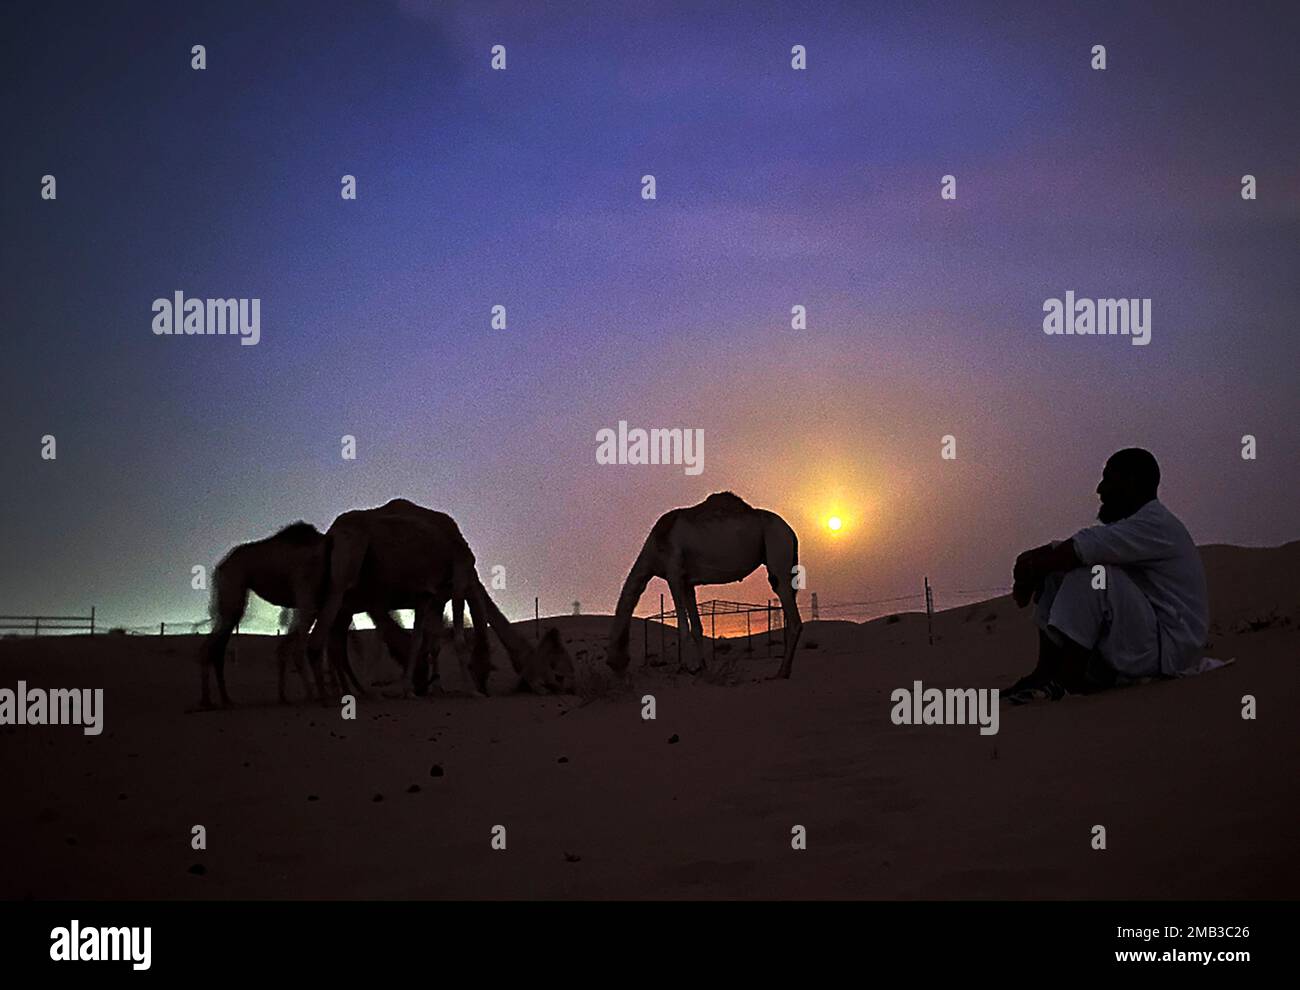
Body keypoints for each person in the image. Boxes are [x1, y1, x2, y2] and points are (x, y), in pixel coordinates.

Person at [1006, 448, 1208, 703]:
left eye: (1108, 479)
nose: (1100, 489)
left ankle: (1068, 683)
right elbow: (1076, 549)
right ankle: (1044, 675)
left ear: (1131, 482)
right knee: (1058, 572)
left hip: (1169, 652)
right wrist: (1036, 566)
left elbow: (1079, 549)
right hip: (1146, 643)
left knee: (1091, 573)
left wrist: (1029, 568)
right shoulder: (1132, 528)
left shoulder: (1153, 523)